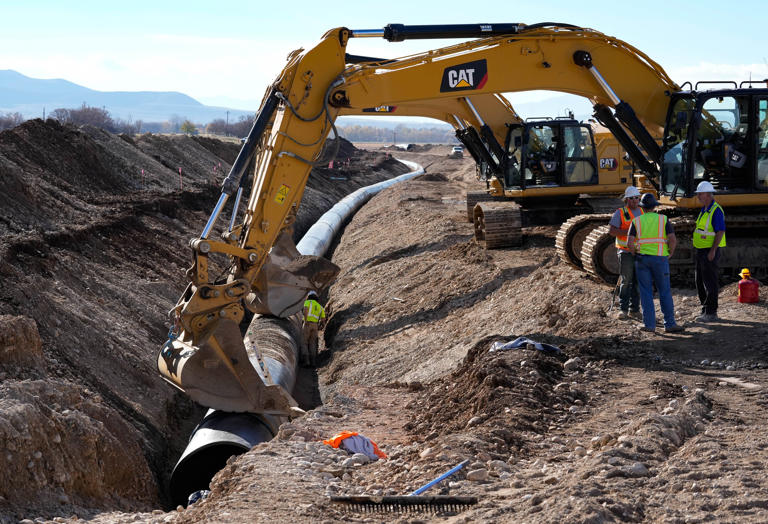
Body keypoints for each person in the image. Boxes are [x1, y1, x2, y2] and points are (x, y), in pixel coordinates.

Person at [627, 193, 684, 333]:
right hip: (660, 259)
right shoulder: (663, 219)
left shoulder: (636, 221)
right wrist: (670, 253)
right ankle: (669, 324)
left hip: (642, 260)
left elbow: (629, 242)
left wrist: (634, 253)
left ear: (642, 207)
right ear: (654, 207)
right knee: (664, 291)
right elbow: (672, 239)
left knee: (646, 293)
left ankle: (649, 325)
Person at [608, 186, 645, 320]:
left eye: (637, 198)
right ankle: (623, 309)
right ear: (627, 199)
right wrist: (630, 233)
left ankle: (634, 310)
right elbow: (612, 231)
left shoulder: (642, 211)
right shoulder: (620, 213)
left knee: (637, 281)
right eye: (632, 198)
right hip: (625, 252)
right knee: (626, 280)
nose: (635, 200)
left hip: (640, 251)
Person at [693, 181, 726, 322]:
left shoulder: (715, 210)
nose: (698, 196)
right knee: (700, 281)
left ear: (707, 194)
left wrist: (713, 251)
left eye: (700, 194)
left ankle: (711, 312)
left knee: (710, 282)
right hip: (701, 250)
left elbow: (720, 231)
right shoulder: (705, 209)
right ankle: (705, 309)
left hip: (709, 251)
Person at [301, 291, 326, 366]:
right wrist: (321, 325)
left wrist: (306, 321)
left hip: (307, 323)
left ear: (308, 297)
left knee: (304, 342)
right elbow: (323, 319)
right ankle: (313, 362)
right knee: (312, 343)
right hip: (315, 325)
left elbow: (305, 311)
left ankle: (306, 361)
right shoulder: (320, 306)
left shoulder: (307, 302)